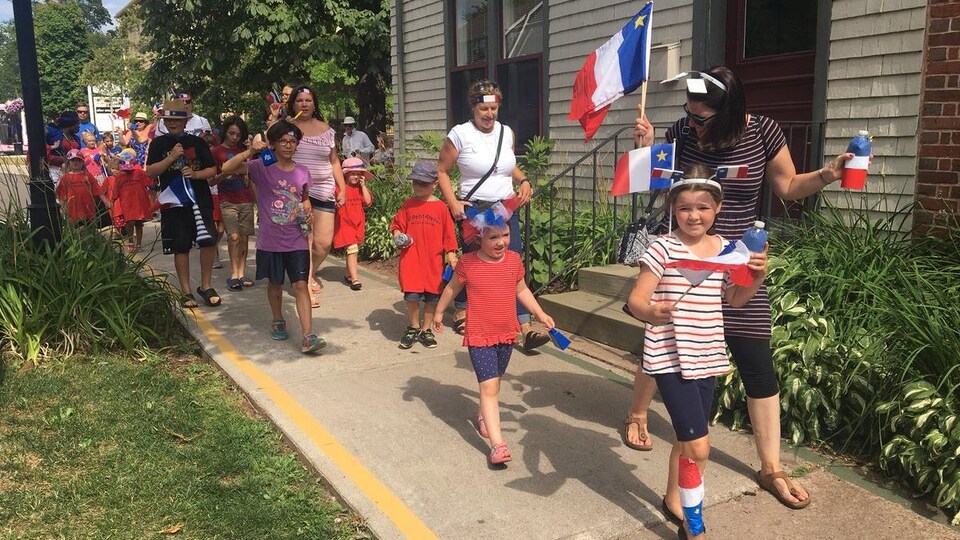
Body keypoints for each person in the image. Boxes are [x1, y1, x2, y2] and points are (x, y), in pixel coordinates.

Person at [626, 65, 856, 510]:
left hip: (738, 259)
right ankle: (637, 413)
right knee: (662, 340)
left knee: (755, 357)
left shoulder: (764, 131)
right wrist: (647, 148)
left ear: (730, 111)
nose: (693, 124)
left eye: (702, 118)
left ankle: (771, 467)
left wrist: (828, 173)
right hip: (685, 257)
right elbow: (657, 182)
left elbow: (787, 186)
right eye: (688, 114)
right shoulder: (684, 130)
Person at [626, 165, 767, 539]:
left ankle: (674, 498)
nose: (694, 215)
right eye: (685, 207)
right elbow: (637, 300)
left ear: (717, 209)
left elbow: (735, 298)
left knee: (685, 439)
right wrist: (651, 312)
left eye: (703, 207)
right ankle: (694, 524)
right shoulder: (662, 247)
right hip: (669, 356)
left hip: (707, 355)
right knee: (700, 448)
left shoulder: (726, 250)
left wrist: (756, 275)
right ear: (674, 208)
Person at [432, 210, 555, 465]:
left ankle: (483, 416)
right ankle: (498, 445)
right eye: (493, 237)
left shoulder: (513, 261)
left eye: (506, 235)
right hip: (479, 335)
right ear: (479, 238)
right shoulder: (468, 263)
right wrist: (439, 312)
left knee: (495, 383)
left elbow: (522, 290)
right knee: (488, 387)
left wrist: (540, 313)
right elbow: (452, 288)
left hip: (507, 333)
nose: (501, 242)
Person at [436, 78, 549, 350]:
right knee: (473, 264)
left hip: (506, 207)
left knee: (511, 262)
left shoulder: (505, 133)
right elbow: (441, 170)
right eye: (484, 109)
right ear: (473, 107)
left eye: (494, 108)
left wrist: (524, 180)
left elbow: (507, 166)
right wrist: (453, 202)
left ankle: (524, 325)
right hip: (476, 208)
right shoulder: (460, 134)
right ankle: (462, 308)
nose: (489, 114)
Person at [219, 120, 327, 354]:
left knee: (300, 285)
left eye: (293, 141)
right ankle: (278, 318)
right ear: (274, 144)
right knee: (275, 283)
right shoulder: (260, 167)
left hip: (297, 239)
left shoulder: (302, 171)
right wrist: (251, 151)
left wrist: (307, 213)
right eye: (283, 141)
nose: (288, 145)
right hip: (271, 240)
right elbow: (227, 168)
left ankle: (308, 335)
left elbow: (304, 197)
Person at [145, 98, 220, 309]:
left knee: (208, 241)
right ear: (164, 122)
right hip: (174, 202)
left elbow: (212, 170)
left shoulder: (198, 143)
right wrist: (171, 158)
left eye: (177, 120)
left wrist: (195, 174)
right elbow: (151, 172)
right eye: (169, 120)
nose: (173, 123)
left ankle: (206, 285)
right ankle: (186, 291)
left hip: (200, 199)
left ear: (186, 121)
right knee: (181, 245)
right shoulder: (158, 143)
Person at [287, 85, 347, 308]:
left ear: (314, 104)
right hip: (298, 194)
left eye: (308, 100)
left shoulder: (326, 130)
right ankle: (303, 284)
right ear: (293, 104)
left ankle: (308, 273)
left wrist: (343, 188)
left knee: (323, 244)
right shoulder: (289, 128)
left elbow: (334, 161)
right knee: (306, 240)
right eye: (300, 100)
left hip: (325, 192)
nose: (304, 104)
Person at [390, 160, 459, 350]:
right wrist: (397, 234)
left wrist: (451, 254)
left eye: (423, 183)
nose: (418, 187)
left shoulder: (441, 208)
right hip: (411, 259)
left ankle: (426, 328)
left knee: (431, 297)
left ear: (435, 184)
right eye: (415, 182)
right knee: (411, 295)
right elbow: (397, 225)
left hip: (433, 261)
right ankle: (413, 325)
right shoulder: (408, 205)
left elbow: (448, 235)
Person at [211, 115, 256, 291]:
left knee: (244, 237)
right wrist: (225, 173)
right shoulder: (216, 152)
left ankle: (242, 273)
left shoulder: (244, 151)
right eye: (231, 133)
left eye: (238, 134)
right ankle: (234, 274)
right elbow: (211, 181)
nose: (234, 138)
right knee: (233, 237)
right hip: (227, 200)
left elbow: (251, 174)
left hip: (245, 199)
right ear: (225, 132)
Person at [333, 157, 373, 291]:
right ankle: (355, 279)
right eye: (353, 173)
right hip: (345, 224)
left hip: (357, 223)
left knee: (353, 250)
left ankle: (348, 273)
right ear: (345, 174)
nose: (356, 176)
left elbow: (368, 202)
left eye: (359, 174)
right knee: (352, 249)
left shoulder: (360, 189)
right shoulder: (339, 189)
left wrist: (363, 186)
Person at [111, 149, 155, 252]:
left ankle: (139, 244)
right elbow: (115, 191)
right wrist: (112, 202)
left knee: (139, 223)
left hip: (139, 202)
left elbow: (150, 181)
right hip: (127, 203)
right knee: (129, 222)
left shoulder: (138, 172)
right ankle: (130, 241)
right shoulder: (119, 177)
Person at [56, 149, 111, 224]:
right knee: (77, 230)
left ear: (82, 162)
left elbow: (97, 190)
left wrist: (106, 202)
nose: (76, 163)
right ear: (68, 163)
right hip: (73, 210)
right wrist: (63, 208)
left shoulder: (87, 175)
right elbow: (61, 196)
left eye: (79, 160)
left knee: (90, 228)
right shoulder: (65, 178)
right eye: (73, 160)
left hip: (88, 208)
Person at [46, 111, 81, 185]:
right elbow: (44, 151)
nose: (79, 126)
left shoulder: (76, 138)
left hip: (72, 171)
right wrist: (61, 159)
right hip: (55, 171)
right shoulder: (53, 135)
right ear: (72, 125)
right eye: (78, 124)